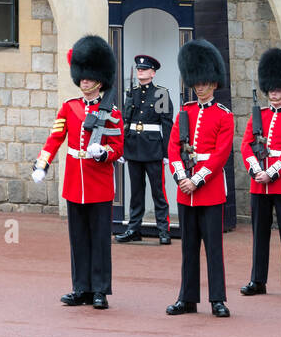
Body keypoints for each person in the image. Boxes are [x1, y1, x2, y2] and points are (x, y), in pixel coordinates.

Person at [32, 35, 123, 310]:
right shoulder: (69, 107)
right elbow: (55, 138)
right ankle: (81, 287)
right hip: (75, 182)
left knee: (99, 239)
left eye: (89, 76)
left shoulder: (112, 112)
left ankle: (100, 291)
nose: (84, 81)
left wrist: (103, 153)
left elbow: (118, 147)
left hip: (99, 183)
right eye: (81, 76)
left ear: (99, 79)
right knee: (79, 239)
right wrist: (42, 164)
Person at [166, 40, 235, 318]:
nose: (200, 87)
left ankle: (217, 298)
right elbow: (173, 147)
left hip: (209, 190)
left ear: (214, 84)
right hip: (186, 190)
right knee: (188, 247)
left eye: (205, 83)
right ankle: (188, 298)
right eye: (197, 83)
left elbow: (220, 155)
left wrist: (198, 180)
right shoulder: (185, 112)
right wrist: (183, 177)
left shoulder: (224, 116)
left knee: (214, 249)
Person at [240, 48, 281, 299]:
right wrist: (256, 170)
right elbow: (246, 145)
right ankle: (258, 279)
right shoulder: (259, 116)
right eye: (271, 89)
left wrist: (272, 172)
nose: (274, 93)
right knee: (260, 235)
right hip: (259, 184)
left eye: (278, 89)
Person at [115, 53, 173, 245]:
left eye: (145, 69)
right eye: (139, 69)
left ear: (153, 73)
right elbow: (125, 122)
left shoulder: (161, 93)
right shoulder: (132, 92)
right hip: (133, 147)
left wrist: (166, 153)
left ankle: (163, 230)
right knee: (136, 192)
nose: (141, 72)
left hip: (153, 148)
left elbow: (166, 125)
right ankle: (134, 228)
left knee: (158, 192)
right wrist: (122, 149)